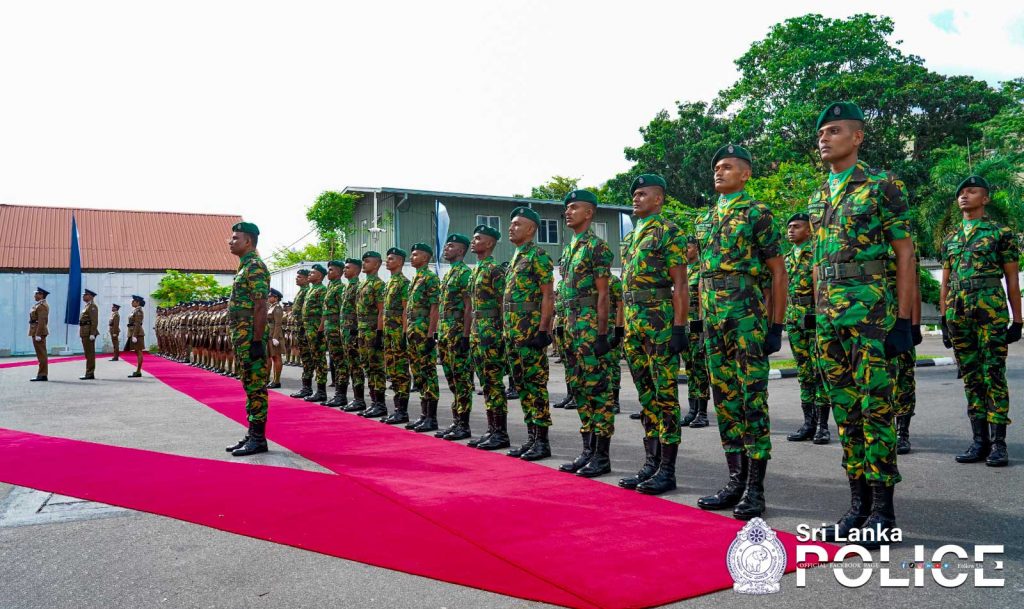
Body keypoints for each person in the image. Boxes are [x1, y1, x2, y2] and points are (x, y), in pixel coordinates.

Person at [809, 102, 915, 547]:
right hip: (829, 320)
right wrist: (816, 314)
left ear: (857, 138)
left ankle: (883, 512)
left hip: (870, 314)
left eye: (834, 130)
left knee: (876, 412)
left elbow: (905, 254)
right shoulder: (818, 195)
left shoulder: (882, 185)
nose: (824, 138)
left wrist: (904, 322)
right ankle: (857, 507)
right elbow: (817, 262)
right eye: (821, 133)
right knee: (846, 414)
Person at [694, 145, 786, 520]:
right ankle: (735, 480)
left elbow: (777, 271)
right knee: (726, 401)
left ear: (745, 174)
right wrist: (700, 322)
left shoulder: (757, 213)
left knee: (751, 402)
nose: (720, 171)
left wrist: (776, 325)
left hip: (746, 316)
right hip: (714, 323)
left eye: (728, 167)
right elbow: (701, 275)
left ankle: (756, 488)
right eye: (716, 167)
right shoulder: (703, 219)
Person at [941, 175, 1021, 468]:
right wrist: (943, 317)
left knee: (993, 375)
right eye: (961, 192)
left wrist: (1018, 320)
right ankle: (980, 441)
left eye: (972, 191)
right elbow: (945, 282)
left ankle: (999, 444)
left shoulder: (1001, 233)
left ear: (985, 199)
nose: (964, 195)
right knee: (971, 376)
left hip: (990, 310)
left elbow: (1012, 278)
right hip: (958, 313)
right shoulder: (950, 238)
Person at [617, 174, 689, 495]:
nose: (636, 198)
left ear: (658, 199)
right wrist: (621, 329)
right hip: (634, 326)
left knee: (665, 395)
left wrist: (678, 328)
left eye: (642, 194)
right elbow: (625, 290)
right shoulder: (631, 238)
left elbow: (681, 284)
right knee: (646, 397)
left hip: (659, 324)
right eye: (634, 194)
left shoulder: (668, 232)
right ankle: (651, 463)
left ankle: (668, 470)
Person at [556, 189, 616, 477]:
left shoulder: (596, 247)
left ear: (589, 213)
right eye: (567, 208)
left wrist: (603, 333)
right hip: (571, 325)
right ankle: (587, 450)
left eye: (574, 207)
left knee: (598, 391)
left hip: (590, 324)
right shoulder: (570, 248)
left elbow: (603, 294)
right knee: (579, 387)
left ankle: (601, 456)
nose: (568, 211)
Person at [503, 206, 555, 461]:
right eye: (511, 224)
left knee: (535, 385)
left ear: (531, 229)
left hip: (530, 330)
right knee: (522, 385)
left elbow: (547, 295)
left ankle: (542, 442)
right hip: (513, 332)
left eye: (516, 224)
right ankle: (531, 438)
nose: (511, 228)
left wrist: (544, 328)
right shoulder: (515, 257)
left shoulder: (538, 256)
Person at [223, 222, 271, 457]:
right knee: (249, 386)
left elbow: (261, 306)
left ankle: (259, 439)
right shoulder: (244, 268)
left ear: (248, 241)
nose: (230, 242)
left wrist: (256, 342)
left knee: (256, 387)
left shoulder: (255, 267)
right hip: (243, 336)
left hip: (251, 337)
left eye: (235, 238)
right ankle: (252, 433)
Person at [783, 213, 830, 444]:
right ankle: (808, 423)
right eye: (789, 227)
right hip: (794, 320)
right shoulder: (787, 257)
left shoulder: (817, 254)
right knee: (804, 372)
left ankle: (823, 426)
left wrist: (820, 315)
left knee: (820, 371)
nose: (791, 230)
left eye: (797, 227)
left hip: (814, 318)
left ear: (809, 230)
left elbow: (821, 287)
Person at [468, 225, 511, 449]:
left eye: (478, 238)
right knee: (485, 383)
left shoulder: (495, 270)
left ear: (490, 243)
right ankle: (491, 429)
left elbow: (503, 303)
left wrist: (502, 333)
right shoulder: (477, 269)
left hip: (491, 332)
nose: (473, 242)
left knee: (494, 382)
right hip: (478, 330)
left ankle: (501, 433)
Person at [435, 234, 475, 440]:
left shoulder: (465, 273)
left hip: (458, 331)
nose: (446, 248)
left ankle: (464, 425)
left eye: (451, 246)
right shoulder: (450, 273)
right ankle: (456, 421)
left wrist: (466, 336)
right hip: (445, 332)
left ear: (460, 251)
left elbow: (469, 307)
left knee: (462, 380)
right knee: (452, 378)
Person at [398, 243, 441, 427]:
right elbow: (408, 310)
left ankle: (431, 418)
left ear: (425, 257)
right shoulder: (416, 278)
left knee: (428, 371)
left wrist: (432, 333)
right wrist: (405, 331)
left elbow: (434, 307)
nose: (412, 257)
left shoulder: (430, 278)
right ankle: (424, 415)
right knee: (418, 372)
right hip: (414, 331)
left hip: (423, 330)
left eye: (415, 255)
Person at [371, 248, 410, 421]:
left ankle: (402, 411)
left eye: (391, 259)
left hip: (397, 334)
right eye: (387, 258)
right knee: (392, 371)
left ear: (400, 261)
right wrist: (380, 332)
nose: (388, 261)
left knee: (400, 370)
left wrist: (403, 334)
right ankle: (396, 409)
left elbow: (405, 310)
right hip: (388, 334)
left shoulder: (403, 282)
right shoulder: (389, 283)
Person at [681, 235, 711, 428]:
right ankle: (692, 410)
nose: (685, 250)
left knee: (700, 370)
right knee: (690, 368)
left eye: (689, 247)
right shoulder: (681, 271)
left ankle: (702, 412)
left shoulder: (701, 270)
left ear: (697, 249)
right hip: (684, 327)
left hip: (696, 326)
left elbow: (702, 300)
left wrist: (701, 327)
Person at [356, 251, 387, 417]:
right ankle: (374, 402)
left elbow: (382, 311)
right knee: (367, 367)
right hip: (362, 331)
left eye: (367, 261)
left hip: (372, 331)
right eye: (363, 261)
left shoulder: (378, 285)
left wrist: (379, 333)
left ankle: (380, 404)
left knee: (376, 368)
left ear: (376, 265)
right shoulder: (363, 284)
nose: (364, 264)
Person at [339, 259, 367, 411]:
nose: (344, 270)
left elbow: (359, 310)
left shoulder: (357, 287)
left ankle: (359, 400)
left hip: (353, 331)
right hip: (345, 331)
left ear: (356, 271)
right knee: (350, 364)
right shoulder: (347, 287)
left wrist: (355, 330)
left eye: (347, 268)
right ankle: (355, 398)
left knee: (356, 365)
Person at [322, 261, 349, 405]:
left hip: (336, 329)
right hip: (329, 329)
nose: (328, 273)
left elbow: (342, 311)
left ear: (338, 273)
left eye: (331, 270)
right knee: (335, 362)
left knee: (340, 362)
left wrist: (340, 330)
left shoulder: (340, 288)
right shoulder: (330, 287)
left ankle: (341, 395)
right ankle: (338, 393)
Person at [303, 264, 329, 403]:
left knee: (319, 360)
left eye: (312, 273)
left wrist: (320, 329)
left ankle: (321, 391)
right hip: (308, 329)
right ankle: (310, 389)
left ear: (319, 276)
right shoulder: (311, 290)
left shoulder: (322, 290)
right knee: (312, 358)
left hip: (315, 329)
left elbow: (324, 312)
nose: (309, 275)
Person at [289, 269, 313, 398]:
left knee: (308, 359)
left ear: (306, 279)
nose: (296, 279)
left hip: (305, 329)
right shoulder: (301, 291)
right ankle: (306, 387)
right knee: (305, 358)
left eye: (300, 277)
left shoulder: (306, 292)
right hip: (300, 329)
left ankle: (308, 388)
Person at [29, 287, 50, 382]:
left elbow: (42, 321)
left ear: (41, 295)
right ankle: (41, 374)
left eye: (36, 294)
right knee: (40, 354)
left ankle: (42, 374)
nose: (35, 295)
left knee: (41, 354)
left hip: (39, 332)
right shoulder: (39, 305)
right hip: (36, 330)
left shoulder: (42, 306)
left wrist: (38, 334)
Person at [266, 288, 285, 389]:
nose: (268, 298)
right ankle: (271, 379)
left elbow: (278, 324)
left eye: (270, 296)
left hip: (275, 335)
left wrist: (275, 337)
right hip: (269, 334)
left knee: (276, 357)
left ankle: (277, 381)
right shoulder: (271, 307)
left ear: (276, 298)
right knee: (271, 357)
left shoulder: (277, 308)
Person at [79, 289, 100, 380]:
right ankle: (89, 372)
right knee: (87, 353)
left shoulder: (92, 306)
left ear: (91, 296)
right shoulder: (87, 306)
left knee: (90, 353)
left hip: (89, 332)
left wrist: (92, 333)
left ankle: (90, 373)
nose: (83, 296)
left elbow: (94, 321)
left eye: (85, 295)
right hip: (85, 331)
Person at [126, 295, 146, 377]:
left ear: (138, 302)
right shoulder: (135, 310)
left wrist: (134, 335)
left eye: (133, 301)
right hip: (134, 332)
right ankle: (138, 370)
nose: (132, 302)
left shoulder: (138, 311)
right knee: (137, 351)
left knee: (139, 351)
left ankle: (138, 371)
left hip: (137, 334)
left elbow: (137, 323)